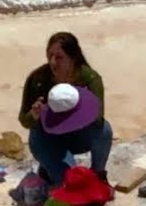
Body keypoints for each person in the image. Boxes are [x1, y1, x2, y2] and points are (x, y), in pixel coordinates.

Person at [19, 32, 114, 186]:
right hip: (49, 138)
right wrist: (34, 114)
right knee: (70, 185)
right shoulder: (37, 80)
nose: (53, 62)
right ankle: (49, 167)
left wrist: (78, 108)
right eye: (50, 56)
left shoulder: (89, 79)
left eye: (59, 57)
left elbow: (98, 117)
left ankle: (99, 174)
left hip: (78, 136)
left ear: (73, 58)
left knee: (104, 130)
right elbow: (24, 120)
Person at [30, 83, 114, 193]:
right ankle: (49, 171)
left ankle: (98, 174)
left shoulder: (77, 102)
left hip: (76, 138)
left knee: (104, 131)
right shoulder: (40, 128)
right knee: (71, 187)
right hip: (51, 145)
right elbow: (39, 147)